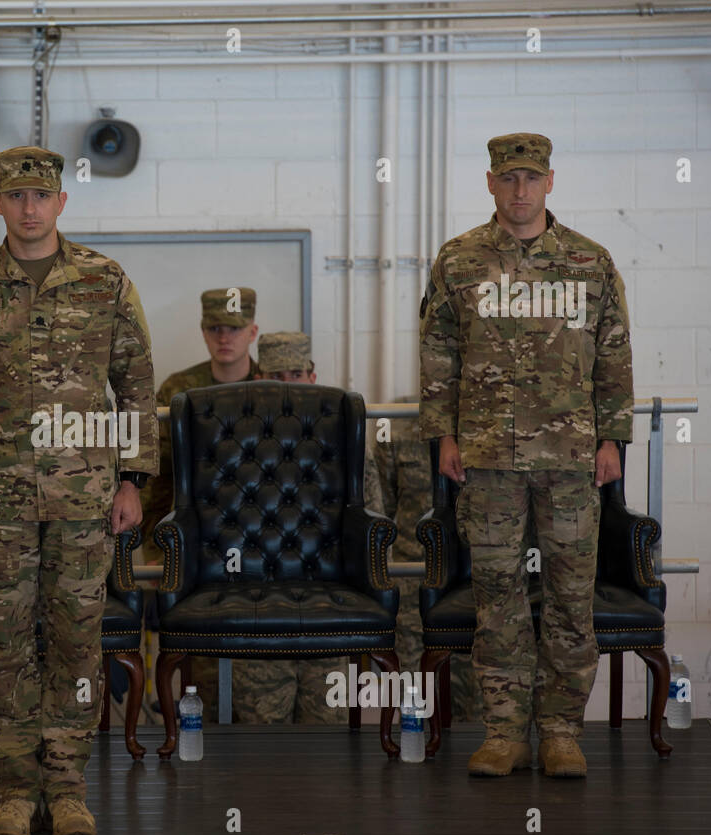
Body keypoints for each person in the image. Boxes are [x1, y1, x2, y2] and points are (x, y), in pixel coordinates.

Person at [0, 146, 157, 835]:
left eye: (40, 197)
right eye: (16, 197)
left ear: (60, 203)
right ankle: (15, 791)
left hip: (84, 496)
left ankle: (69, 784)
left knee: (78, 640)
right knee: (3, 641)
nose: (29, 209)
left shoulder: (104, 281)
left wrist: (133, 478)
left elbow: (137, 382)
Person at [418, 132, 633, 777]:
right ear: (490, 182)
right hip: (486, 456)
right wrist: (443, 435)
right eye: (508, 178)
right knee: (498, 594)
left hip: (570, 458)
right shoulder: (458, 260)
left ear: (548, 182)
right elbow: (438, 354)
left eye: (530, 179)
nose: (519, 190)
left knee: (570, 593)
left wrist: (612, 438)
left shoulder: (590, 262)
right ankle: (505, 731)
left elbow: (615, 352)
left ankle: (563, 729)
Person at [142, 288, 260, 720]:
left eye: (233, 329)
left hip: (259, 546)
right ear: (203, 332)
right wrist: (155, 553)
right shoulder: (179, 391)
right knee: (201, 668)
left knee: (260, 674)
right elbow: (158, 480)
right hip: (197, 545)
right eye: (214, 328)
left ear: (253, 331)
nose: (223, 338)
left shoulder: (270, 387)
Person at [230, 331, 347, 725]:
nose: (287, 386)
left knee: (328, 738)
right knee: (260, 742)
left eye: (296, 373)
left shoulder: (342, 439)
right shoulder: (236, 446)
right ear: (259, 381)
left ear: (313, 378)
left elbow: (369, 512)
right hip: (259, 605)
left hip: (325, 605)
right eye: (277, 375)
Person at [364, 396, 483, 723]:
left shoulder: (490, 417)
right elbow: (383, 507)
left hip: (479, 578)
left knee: (479, 700)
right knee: (413, 699)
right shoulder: (399, 423)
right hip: (412, 581)